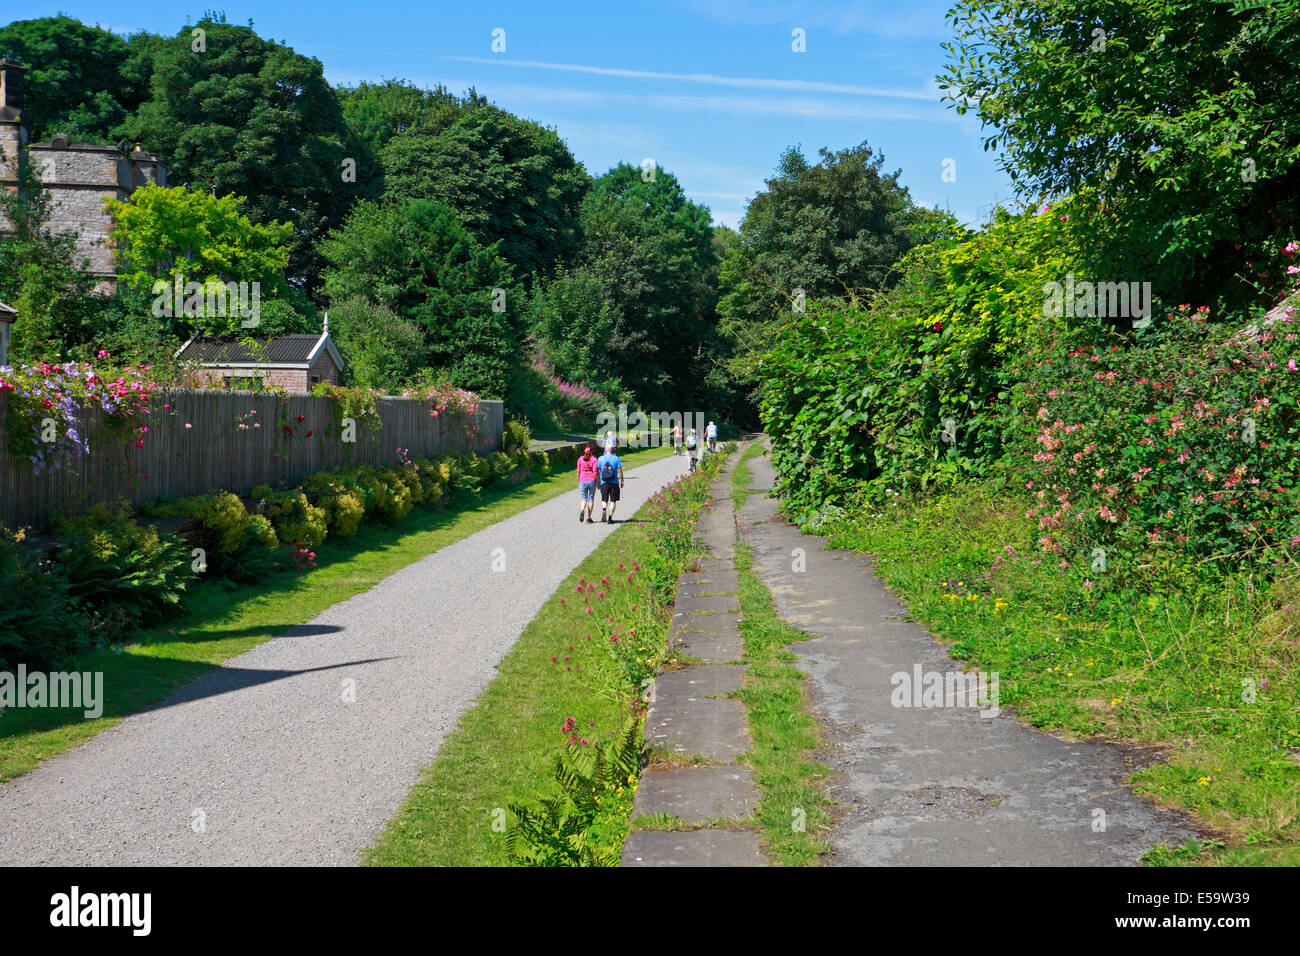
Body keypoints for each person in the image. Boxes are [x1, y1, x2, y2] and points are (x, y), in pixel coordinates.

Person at [596, 445, 624, 522]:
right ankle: (610, 518)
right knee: (613, 500)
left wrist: (598, 482)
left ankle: (604, 509)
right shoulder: (616, 458)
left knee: (604, 499)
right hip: (614, 482)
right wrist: (622, 480)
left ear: (605, 450)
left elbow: (597, 472)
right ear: (613, 451)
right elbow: (620, 470)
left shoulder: (600, 458)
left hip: (604, 482)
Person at [576, 445, 599, 523]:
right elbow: (595, 472)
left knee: (584, 498)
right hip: (592, 480)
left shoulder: (580, 459)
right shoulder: (594, 459)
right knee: (591, 498)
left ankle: (582, 510)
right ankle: (589, 517)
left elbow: (578, 471)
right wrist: (598, 482)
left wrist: (579, 479)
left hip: (583, 480)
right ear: (592, 451)